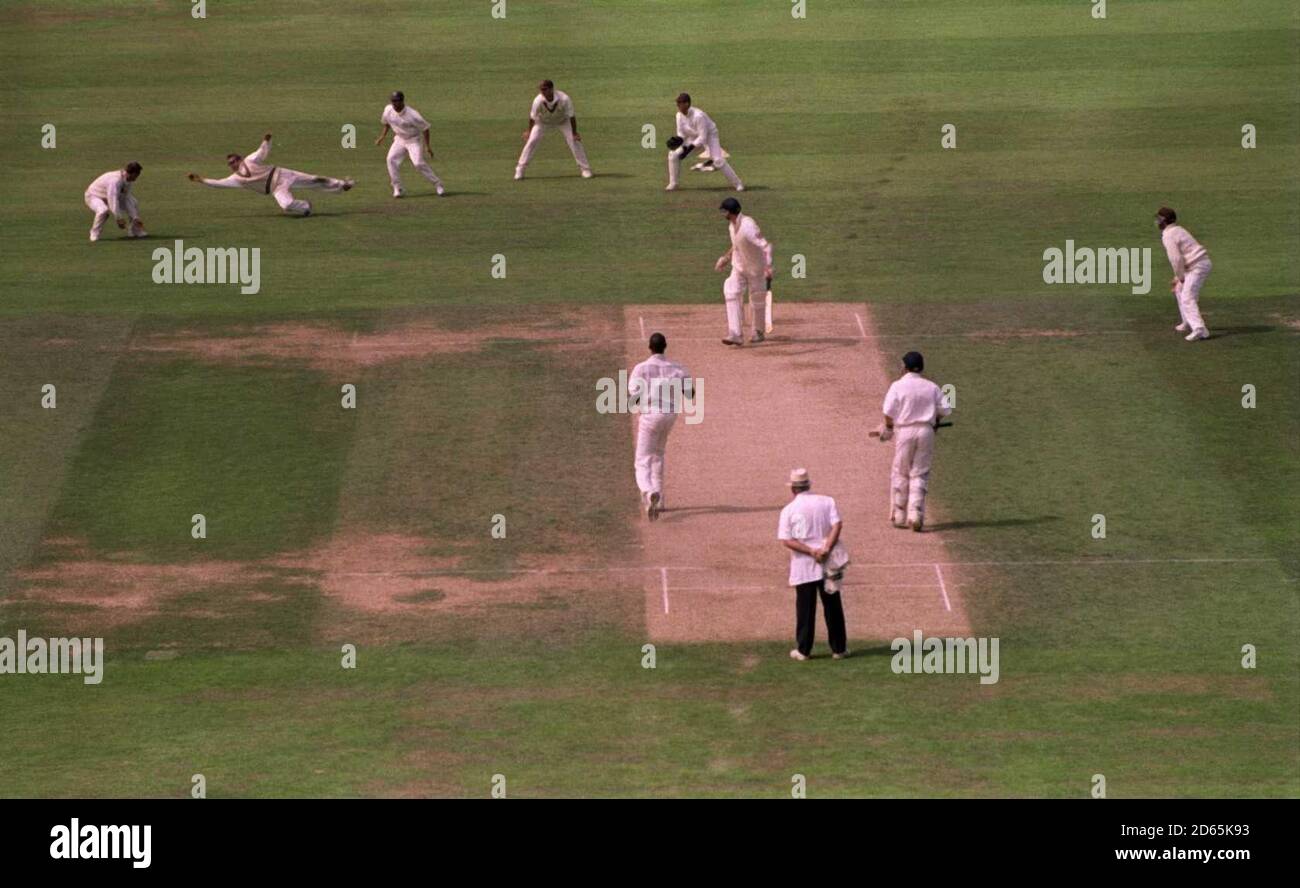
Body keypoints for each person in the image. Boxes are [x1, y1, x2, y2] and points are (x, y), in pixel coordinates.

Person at [187, 133, 354, 216]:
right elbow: (218, 183)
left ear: (239, 159)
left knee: (314, 179)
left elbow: (262, 151)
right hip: (275, 188)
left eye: (233, 161)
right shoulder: (236, 179)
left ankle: (343, 185)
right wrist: (200, 179)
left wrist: (267, 140)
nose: (231, 165)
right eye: (229, 164)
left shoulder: (250, 160)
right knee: (286, 206)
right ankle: (306, 206)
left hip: (282, 174)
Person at [777, 468, 848, 661]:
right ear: (808, 485)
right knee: (833, 605)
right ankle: (839, 649)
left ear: (793, 488)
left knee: (805, 608)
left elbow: (786, 540)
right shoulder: (827, 501)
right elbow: (837, 525)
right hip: (828, 564)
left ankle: (804, 650)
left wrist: (811, 552)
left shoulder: (788, 510)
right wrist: (825, 549)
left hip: (803, 566)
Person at [879, 351, 950, 532]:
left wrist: (888, 428)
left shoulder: (897, 386)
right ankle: (915, 514)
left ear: (905, 367)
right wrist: (935, 422)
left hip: (904, 431)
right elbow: (945, 409)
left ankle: (900, 514)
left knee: (901, 472)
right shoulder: (932, 387)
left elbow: (888, 411)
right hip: (926, 432)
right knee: (920, 473)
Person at [628, 332, 692, 521]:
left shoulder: (641, 369)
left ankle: (648, 493)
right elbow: (690, 394)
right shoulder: (678, 368)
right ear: (665, 347)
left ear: (650, 347)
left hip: (651, 415)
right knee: (657, 455)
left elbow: (633, 396)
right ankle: (659, 496)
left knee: (641, 460)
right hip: (670, 415)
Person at [715, 197, 772, 345]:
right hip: (739, 266)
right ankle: (735, 334)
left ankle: (758, 331)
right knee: (731, 291)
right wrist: (726, 258)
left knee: (757, 299)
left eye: (725, 211)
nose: (723, 214)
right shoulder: (731, 225)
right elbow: (736, 244)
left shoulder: (749, 226)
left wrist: (768, 267)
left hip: (756, 268)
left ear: (731, 212)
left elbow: (766, 246)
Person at [515, 80, 592, 180]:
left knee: (574, 141)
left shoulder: (564, 98)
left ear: (551, 89)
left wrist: (574, 133)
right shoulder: (538, 101)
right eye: (541, 90)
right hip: (542, 122)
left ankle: (585, 169)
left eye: (544, 89)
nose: (542, 92)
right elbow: (532, 117)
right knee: (532, 141)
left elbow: (571, 116)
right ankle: (520, 169)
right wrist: (529, 131)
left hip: (562, 121)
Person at [666, 93, 742, 192]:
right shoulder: (679, 116)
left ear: (687, 104)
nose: (678, 106)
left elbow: (703, 137)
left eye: (680, 103)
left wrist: (688, 150)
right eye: (677, 103)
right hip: (693, 137)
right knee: (673, 155)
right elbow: (681, 133)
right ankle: (673, 183)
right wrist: (678, 141)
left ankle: (738, 184)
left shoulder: (698, 116)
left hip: (710, 136)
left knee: (718, 160)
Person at [376, 90, 445, 198]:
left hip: (413, 140)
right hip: (399, 139)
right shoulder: (388, 110)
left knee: (418, 163)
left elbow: (425, 128)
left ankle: (438, 184)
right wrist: (382, 136)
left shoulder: (413, 114)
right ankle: (397, 187)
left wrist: (428, 146)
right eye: (393, 101)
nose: (395, 104)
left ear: (402, 101)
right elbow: (387, 123)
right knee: (390, 159)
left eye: (397, 101)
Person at [1157, 207, 1211, 341]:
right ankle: (1187, 321)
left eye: (1159, 219)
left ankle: (1200, 329)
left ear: (1164, 221)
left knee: (1187, 297)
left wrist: (1180, 277)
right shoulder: (1178, 229)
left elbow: (1176, 259)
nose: (1157, 222)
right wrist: (1178, 279)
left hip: (1198, 266)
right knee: (1179, 290)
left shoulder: (1168, 235)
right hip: (1194, 265)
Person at [85, 162, 145, 242]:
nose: (137, 177)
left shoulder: (128, 180)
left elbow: (126, 198)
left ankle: (135, 230)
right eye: (137, 175)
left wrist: (135, 217)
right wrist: (119, 218)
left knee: (134, 202)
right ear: (132, 173)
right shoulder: (115, 181)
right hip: (94, 196)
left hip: (108, 196)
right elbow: (112, 200)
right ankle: (94, 233)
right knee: (103, 210)